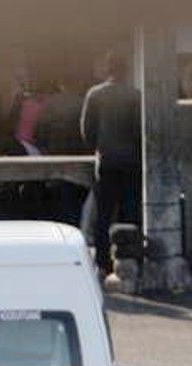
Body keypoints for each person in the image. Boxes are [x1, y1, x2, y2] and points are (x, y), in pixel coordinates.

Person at [80, 51, 143, 277]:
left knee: (103, 214)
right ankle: (130, 261)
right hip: (132, 162)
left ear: (107, 70)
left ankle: (104, 264)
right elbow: (140, 131)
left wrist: (98, 147)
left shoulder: (95, 95)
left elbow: (87, 131)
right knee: (130, 211)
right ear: (126, 71)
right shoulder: (136, 96)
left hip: (106, 161)